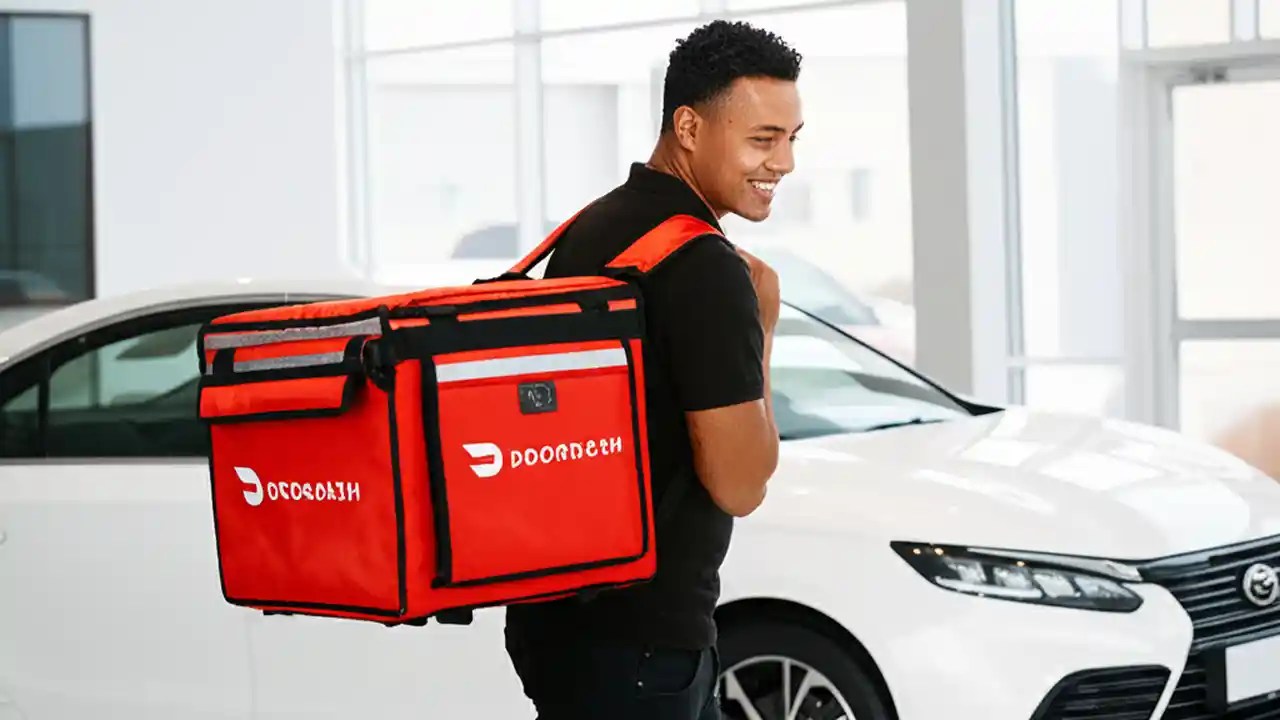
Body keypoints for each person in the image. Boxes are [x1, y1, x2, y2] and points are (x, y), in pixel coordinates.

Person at [503, 19, 804, 720]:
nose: (784, 163)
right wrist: (762, 328)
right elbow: (740, 484)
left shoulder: (593, 229)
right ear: (690, 128)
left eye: (793, 139)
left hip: (556, 620)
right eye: (764, 139)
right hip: (645, 641)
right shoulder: (704, 267)